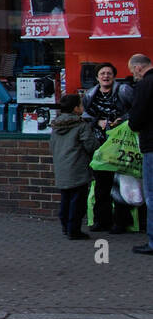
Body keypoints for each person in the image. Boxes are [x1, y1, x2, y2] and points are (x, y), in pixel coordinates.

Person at [82, 62, 138, 233]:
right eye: (102, 73)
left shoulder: (124, 90)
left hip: (121, 144)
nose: (105, 76)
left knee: (121, 183)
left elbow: (136, 108)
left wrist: (122, 120)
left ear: (114, 76)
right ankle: (101, 221)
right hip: (101, 145)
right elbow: (86, 114)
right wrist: (97, 121)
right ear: (97, 77)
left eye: (109, 73)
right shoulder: (90, 94)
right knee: (101, 185)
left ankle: (121, 222)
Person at [49, 94, 99, 241]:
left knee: (65, 198)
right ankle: (74, 230)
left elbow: (52, 145)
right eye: (81, 105)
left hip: (61, 167)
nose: (83, 108)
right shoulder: (81, 125)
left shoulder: (56, 125)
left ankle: (65, 226)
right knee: (78, 202)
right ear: (76, 108)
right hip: (78, 168)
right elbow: (91, 145)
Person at [126, 55, 153, 256]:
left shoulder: (145, 85)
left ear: (137, 68)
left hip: (151, 144)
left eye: (132, 71)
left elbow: (136, 119)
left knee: (152, 195)